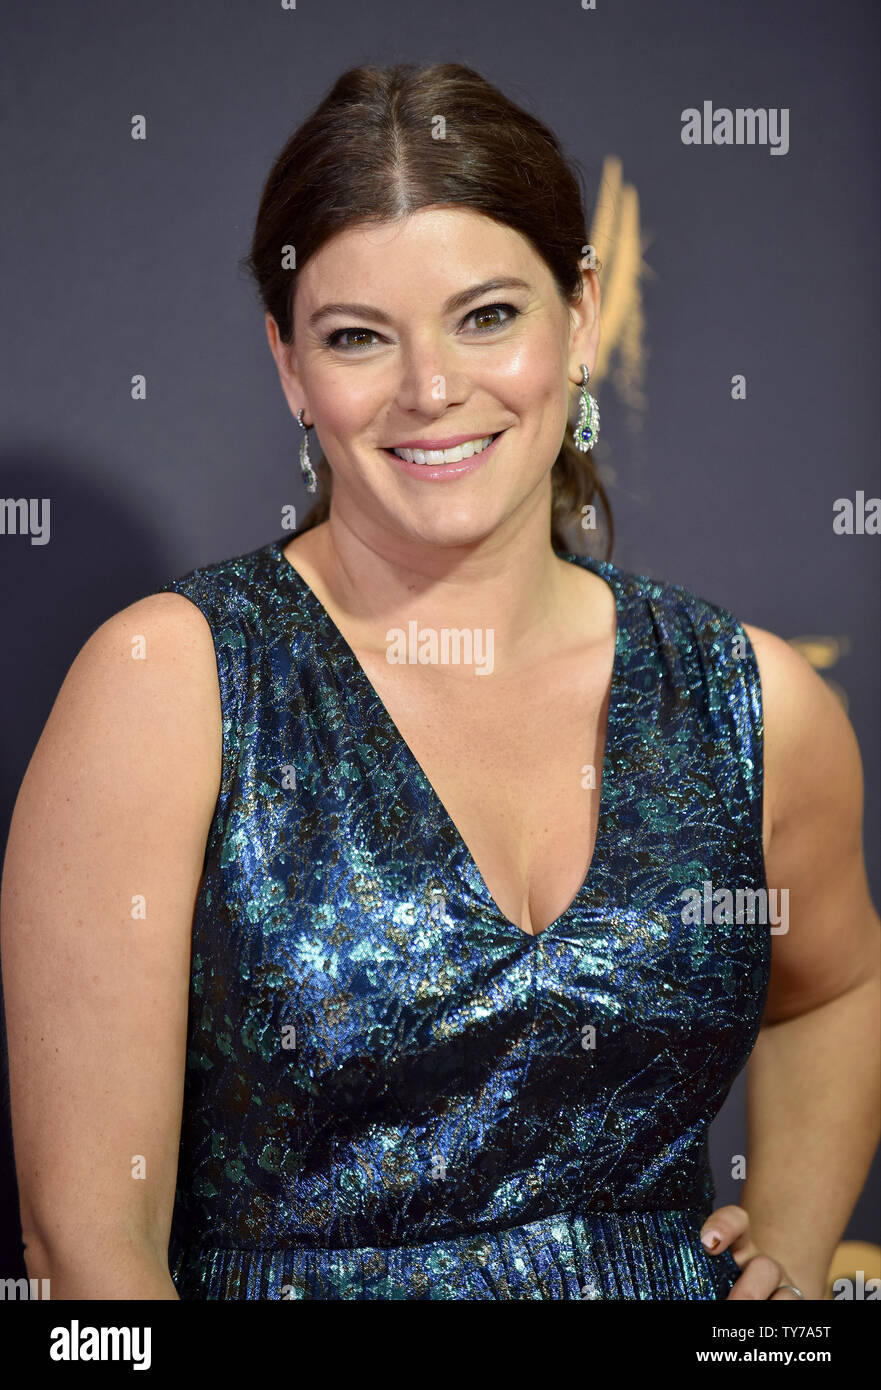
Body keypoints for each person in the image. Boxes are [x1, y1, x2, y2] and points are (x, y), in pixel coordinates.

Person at [2, 61, 879, 1302]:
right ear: (288, 365)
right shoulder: (169, 684)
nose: (429, 390)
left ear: (578, 319)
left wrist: (786, 1241)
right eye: (357, 336)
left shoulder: (749, 699)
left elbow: (834, 982)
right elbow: (87, 1254)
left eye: (485, 317)